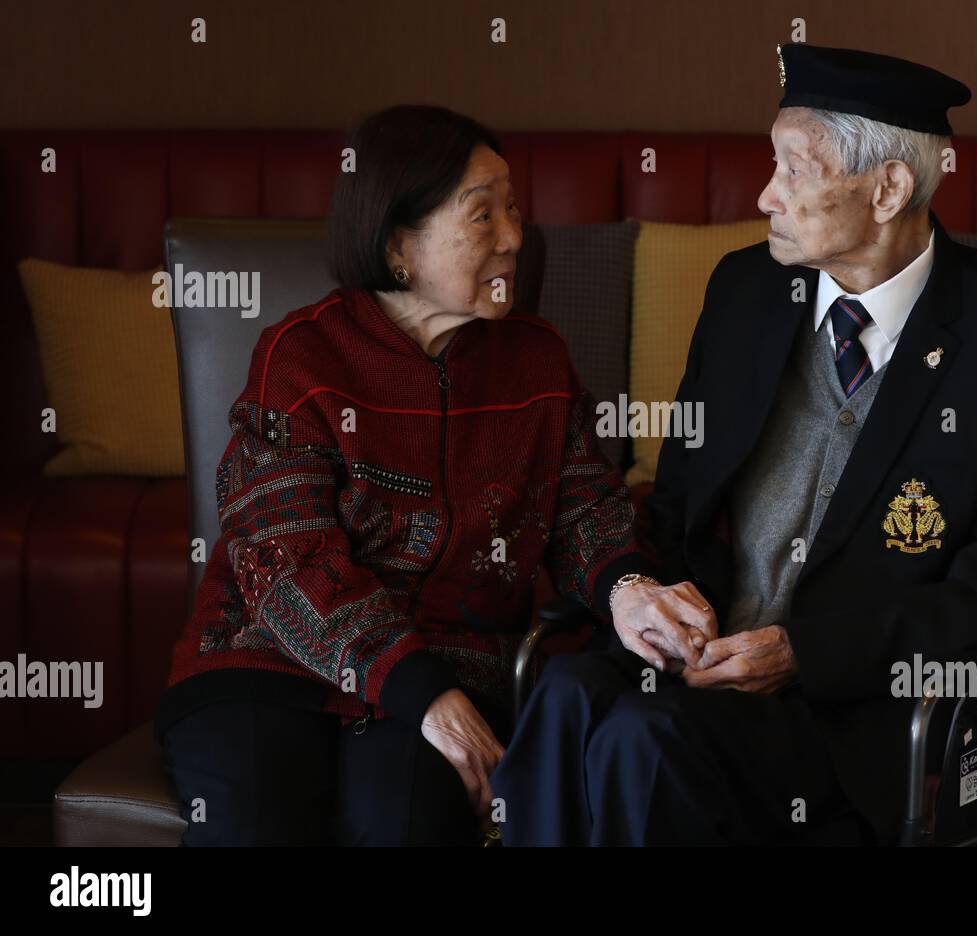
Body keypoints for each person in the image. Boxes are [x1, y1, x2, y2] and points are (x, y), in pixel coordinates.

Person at [492, 45, 977, 846]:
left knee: (642, 738)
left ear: (888, 188)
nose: (765, 195)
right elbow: (677, 502)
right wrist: (649, 602)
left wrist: (805, 652)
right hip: (701, 656)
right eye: (769, 163)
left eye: (795, 169)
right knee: (570, 688)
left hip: (850, 711)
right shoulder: (745, 289)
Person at [153, 105, 706, 845]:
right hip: (270, 662)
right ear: (398, 247)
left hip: (454, 667)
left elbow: (583, 511)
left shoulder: (536, 361)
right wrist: (420, 691)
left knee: (406, 822)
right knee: (251, 823)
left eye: (513, 207)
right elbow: (287, 563)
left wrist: (628, 588)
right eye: (483, 216)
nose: (515, 237)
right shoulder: (302, 359)